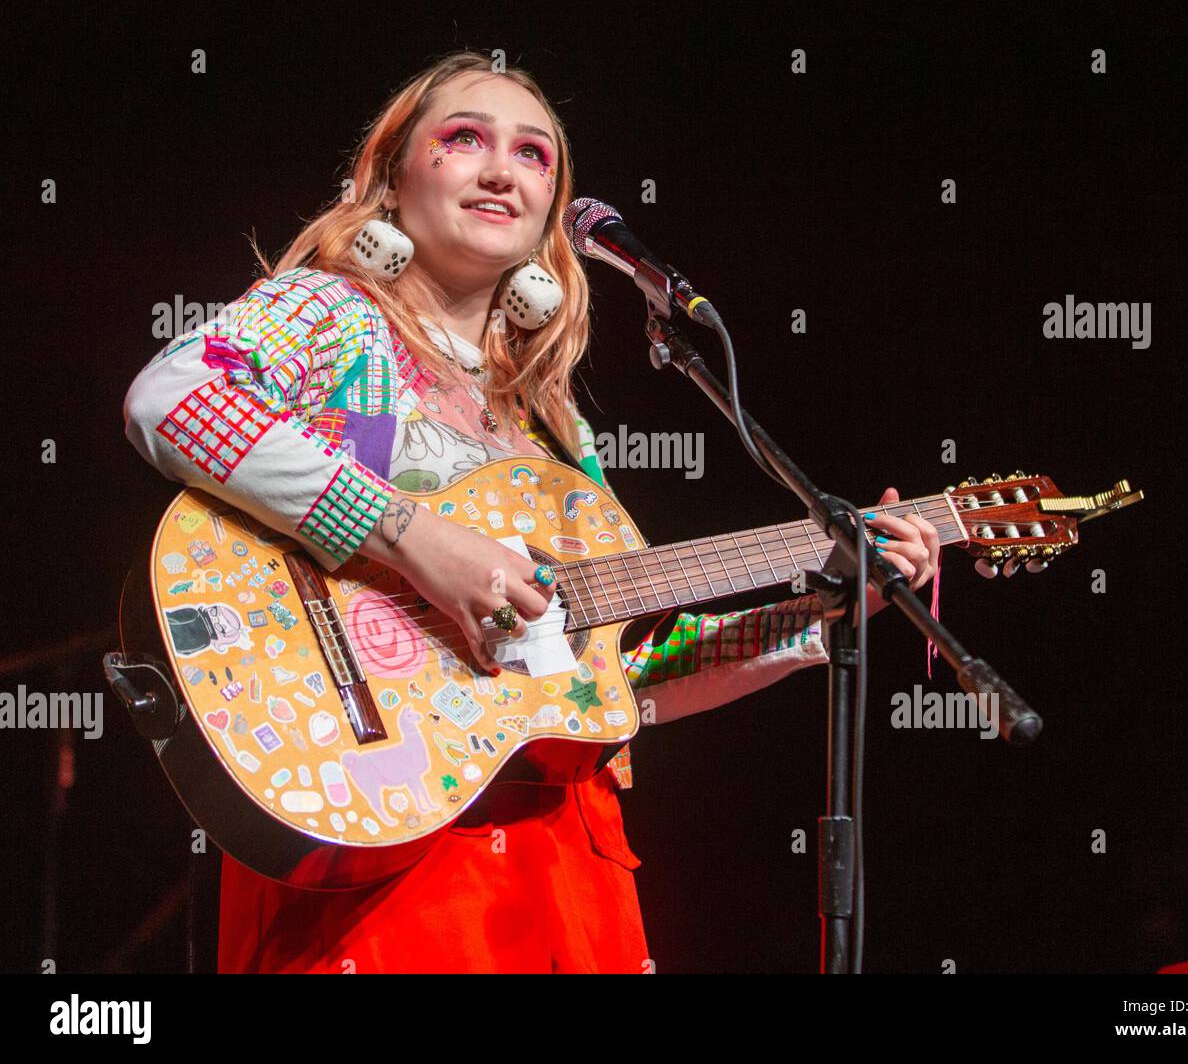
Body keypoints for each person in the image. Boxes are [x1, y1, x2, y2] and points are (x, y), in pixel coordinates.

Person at [122, 50, 941, 973]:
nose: (502, 169)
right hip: (382, 838)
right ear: (390, 181)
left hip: (564, 859)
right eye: (464, 139)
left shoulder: (555, 428)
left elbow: (617, 680)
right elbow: (172, 395)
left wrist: (827, 613)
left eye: (534, 154)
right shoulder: (334, 314)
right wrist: (415, 538)